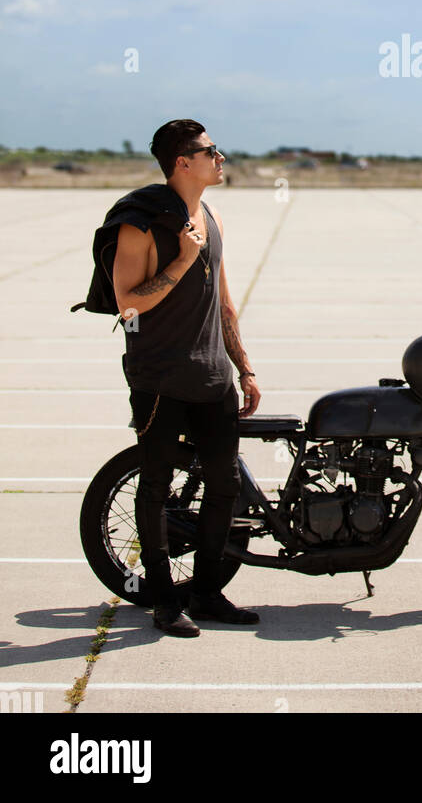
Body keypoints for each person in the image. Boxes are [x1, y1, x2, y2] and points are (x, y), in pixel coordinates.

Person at [112, 119, 262, 636]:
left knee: (223, 486)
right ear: (183, 161)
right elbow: (128, 304)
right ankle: (163, 602)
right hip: (160, 377)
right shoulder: (143, 223)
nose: (221, 157)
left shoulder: (213, 215)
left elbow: (223, 301)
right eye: (211, 150)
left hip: (212, 376)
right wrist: (183, 259)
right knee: (155, 485)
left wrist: (243, 366)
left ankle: (205, 594)